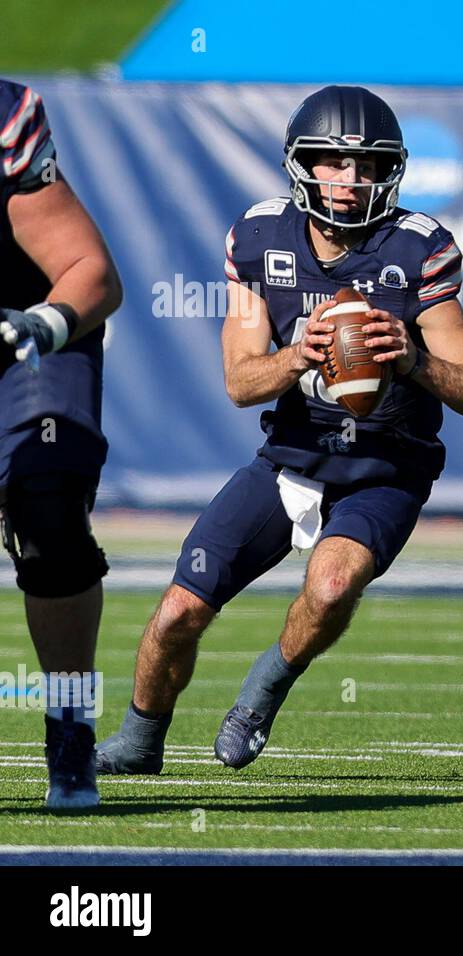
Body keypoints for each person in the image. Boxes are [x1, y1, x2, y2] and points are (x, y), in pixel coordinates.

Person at [97, 85, 463, 775]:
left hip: (386, 464)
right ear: (301, 166)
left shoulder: (417, 249)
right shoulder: (260, 238)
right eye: (334, 163)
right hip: (290, 456)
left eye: (369, 167)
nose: (351, 182)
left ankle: (264, 690)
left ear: (391, 172)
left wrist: (411, 358)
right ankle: (140, 740)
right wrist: (299, 355)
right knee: (176, 615)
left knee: (329, 587)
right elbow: (238, 382)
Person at [0, 80, 123, 808]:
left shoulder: (5, 119)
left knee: (47, 512)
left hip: (23, 334)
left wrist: (43, 324)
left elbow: (91, 273)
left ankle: (69, 721)